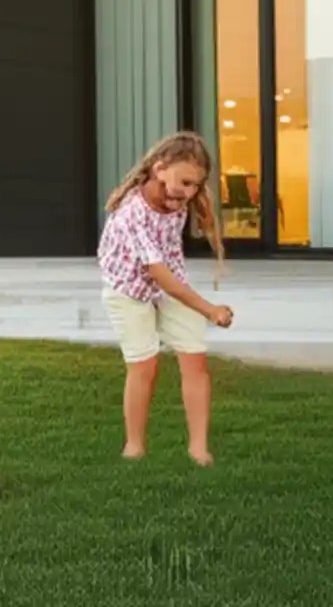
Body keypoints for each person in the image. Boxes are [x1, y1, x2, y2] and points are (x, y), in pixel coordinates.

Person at [97, 131, 232, 467]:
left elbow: (171, 260)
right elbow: (157, 271)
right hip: (127, 290)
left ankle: (198, 449)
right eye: (184, 182)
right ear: (159, 169)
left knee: (195, 361)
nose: (188, 192)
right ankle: (134, 447)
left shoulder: (178, 205)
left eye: (195, 186)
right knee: (145, 366)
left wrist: (188, 306)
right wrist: (209, 309)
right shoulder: (132, 213)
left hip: (168, 284)